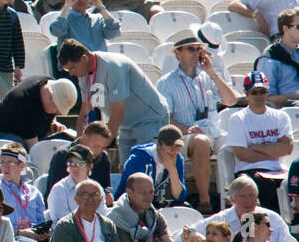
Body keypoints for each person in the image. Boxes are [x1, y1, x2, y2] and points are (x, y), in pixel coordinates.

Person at [156, 30, 236, 212]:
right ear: (178, 53)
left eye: (198, 49)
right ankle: (205, 200)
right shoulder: (166, 82)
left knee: (237, 141)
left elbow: (230, 101)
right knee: (201, 141)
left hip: (212, 132)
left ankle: (236, 197)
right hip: (183, 136)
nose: (196, 53)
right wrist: (186, 128)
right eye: (190, 49)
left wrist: (212, 72)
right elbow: (165, 117)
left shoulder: (207, 77)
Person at [58, 38, 171, 163]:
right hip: (125, 126)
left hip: (150, 121)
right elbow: (84, 112)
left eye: (72, 68)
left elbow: (117, 114)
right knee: (126, 174)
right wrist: (80, 146)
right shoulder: (82, 73)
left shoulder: (112, 67)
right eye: (68, 70)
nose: (72, 73)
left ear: (84, 58)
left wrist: (97, 148)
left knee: (145, 172)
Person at [224, 72, 293, 213]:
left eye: (263, 91)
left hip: (278, 170)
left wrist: (255, 147)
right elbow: (243, 155)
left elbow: (287, 149)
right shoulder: (238, 119)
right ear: (246, 93)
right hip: (248, 171)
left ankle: (284, 227)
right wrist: (274, 151)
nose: (259, 96)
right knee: (256, 187)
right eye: (254, 92)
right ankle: (251, 231)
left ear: (268, 92)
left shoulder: (281, 117)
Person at [197, 174, 297, 242]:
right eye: (243, 196)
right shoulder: (221, 219)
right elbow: (186, 234)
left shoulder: (272, 218)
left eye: (252, 195)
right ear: (233, 199)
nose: (248, 201)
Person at [47, 179, 120, 242]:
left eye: (95, 194)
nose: (90, 198)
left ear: (100, 199)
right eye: (85, 194)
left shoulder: (108, 225)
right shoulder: (65, 226)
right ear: (76, 199)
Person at [109, 172, 176, 242]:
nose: (148, 197)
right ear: (129, 192)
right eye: (143, 192)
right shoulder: (115, 219)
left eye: (151, 192)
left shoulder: (155, 217)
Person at [0, 75, 78, 149]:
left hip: (27, 133)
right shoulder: (25, 103)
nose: (57, 113)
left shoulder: (50, 84)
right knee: (21, 147)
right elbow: (34, 149)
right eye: (58, 109)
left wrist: (53, 123)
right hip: (1, 138)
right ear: (51, 98)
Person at [44, 121, 115, 197]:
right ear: (84, 138)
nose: (99, 151)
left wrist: (108, 193)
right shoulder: (62, 156)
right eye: (96, 146)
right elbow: (55, 191)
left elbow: (107, 186)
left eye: (103, 147)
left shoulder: (103, 157)